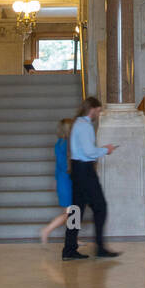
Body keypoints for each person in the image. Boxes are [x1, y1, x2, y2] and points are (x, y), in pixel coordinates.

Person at [63, 96, 120, 259]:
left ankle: (69, 249)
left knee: (76, 210)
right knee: (100, 207)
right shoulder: (85, 126)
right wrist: (105, 150)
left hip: (77, 169)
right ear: (93, 109)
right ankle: (100, 247)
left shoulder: (77, 124)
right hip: (85, 171)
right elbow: (89, 152)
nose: (98, 114)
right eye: (98, 110)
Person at [40, 117, 75, 248]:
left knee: (73, 211)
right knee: (70, 213)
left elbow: (58, 166)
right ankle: (47, 230)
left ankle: (74, 238)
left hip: (63, 181)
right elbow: (64, 165)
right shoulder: (65, 144)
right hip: (67, 182)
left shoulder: (60, 143)